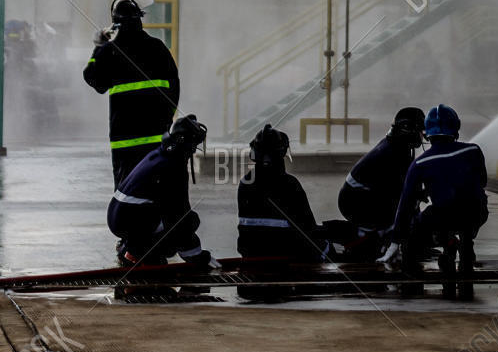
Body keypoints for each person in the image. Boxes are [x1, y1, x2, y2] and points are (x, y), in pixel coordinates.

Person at [83, 0, 180, 187]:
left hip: (124, 143)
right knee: (156, 190)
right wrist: (166, 120)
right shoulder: (157, 47)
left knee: (127, 193)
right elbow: (174, 88)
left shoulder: (110, 51)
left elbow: (95, 80)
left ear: (115, 22)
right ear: (140, 19)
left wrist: (98, 48)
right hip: (156, 138)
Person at [386, 104, 488, 275]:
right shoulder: (473, 150)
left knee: (419, 226)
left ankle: (414, 280)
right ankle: (466, 244)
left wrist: (396, 241)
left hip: (444, 217)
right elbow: (482, 182)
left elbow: (406, 204)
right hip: (475, 213)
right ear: (456, 127)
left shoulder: (420, 164)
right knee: (470, 206)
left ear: (427, 133)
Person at [107, 115, 218, 268]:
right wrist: (197, 256)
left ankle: (133, 250)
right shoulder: (173, 167)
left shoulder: (160, 154)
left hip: (120, 217)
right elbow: (179, 214)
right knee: (189, 220)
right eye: (193, 145)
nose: (193, 150)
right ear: (183, 142)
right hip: (130, 219)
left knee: (175, 219)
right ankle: (136, 254)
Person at [237, 124, 326, 260]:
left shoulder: (245, 182)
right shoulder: (290, 184)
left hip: (251, 255)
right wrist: (327, 248)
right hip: (287, 256)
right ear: (282, 153)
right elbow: (307, 229)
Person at [338, 107, 425, 236]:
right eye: (420, 131)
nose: (423, 136)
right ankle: (376, 236)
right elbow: (403, 194)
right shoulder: (395, 152)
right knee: (403, 211)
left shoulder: (398, 144)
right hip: (355, 203)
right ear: (408, 129)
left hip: (358, 198)